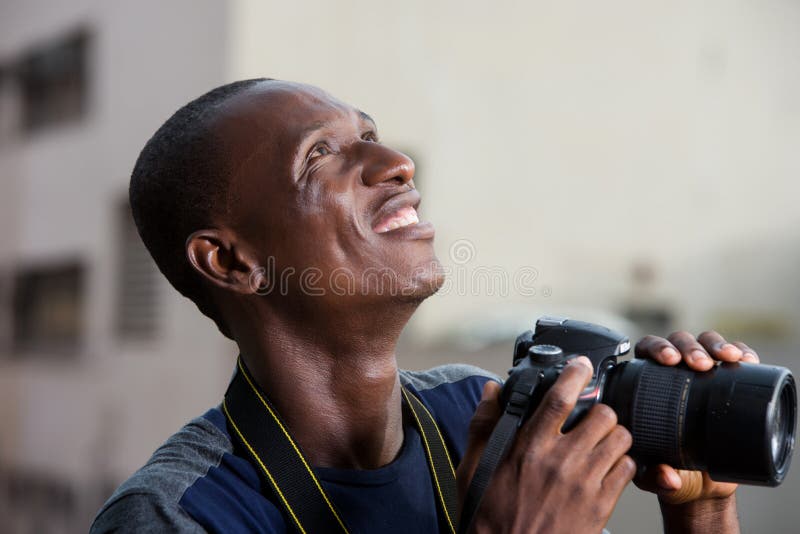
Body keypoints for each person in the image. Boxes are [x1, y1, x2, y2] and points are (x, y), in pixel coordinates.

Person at [91, 78, 759, 533]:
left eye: (372, 134)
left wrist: (701, 514)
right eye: (321, 154)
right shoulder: (183, 515)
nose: (398, 162)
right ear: (232, 261)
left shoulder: (482, 412)